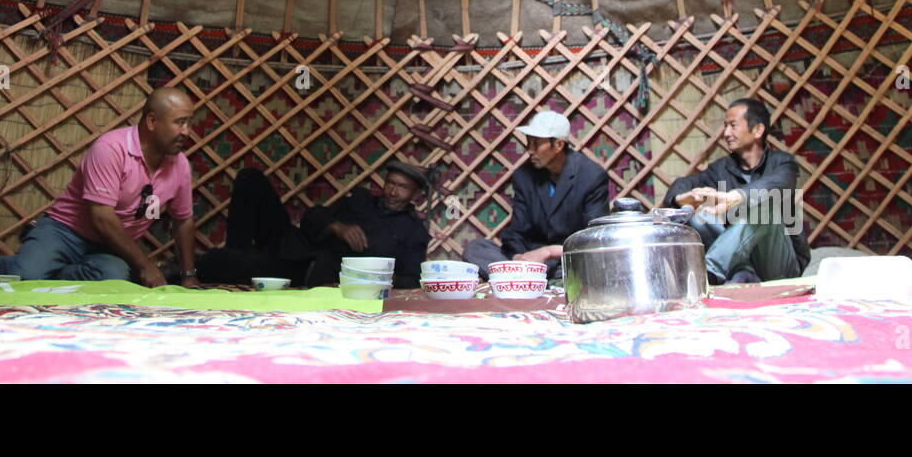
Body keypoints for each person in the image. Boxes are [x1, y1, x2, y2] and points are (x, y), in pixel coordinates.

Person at [0, 87, 199, 287]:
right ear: (152, 122)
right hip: (65, 231)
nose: (186, 132)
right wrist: (145, 266)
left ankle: (50, 272)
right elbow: (102, 218)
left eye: (188, 123)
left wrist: (188, 275)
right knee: (25, 277)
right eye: (180, 122)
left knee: (115, 280)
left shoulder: (179, 166)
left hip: (111, 245)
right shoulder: (111, 148)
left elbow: (183, 220)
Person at [197, 160, 431, 288]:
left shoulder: (413, 231)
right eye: (390, 183)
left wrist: (379, 277)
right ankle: (238, 251)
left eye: (402, 187)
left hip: (304, 272)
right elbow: (313, 216)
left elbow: (411, 278)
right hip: (293, 243)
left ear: (416, 194)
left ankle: (230, 261)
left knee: (218, 262)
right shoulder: (362, 200)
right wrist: (336, 226)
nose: (392, 191)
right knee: (250, 178)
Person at [662, 97, 810, 284]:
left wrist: (737, 196)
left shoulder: (782, 163)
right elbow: (684, 183)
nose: (726, 133)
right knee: (698, 216)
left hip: (779, 262)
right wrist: (682, 198)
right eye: (725, 126)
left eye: (733, 126)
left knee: (764, 208)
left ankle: (709, 270)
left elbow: (780, 183)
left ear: (758, 130)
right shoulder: (721, 169)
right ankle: (743, 274)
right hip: (741, 259)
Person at [462, 110, 609, 279]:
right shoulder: (523, 175)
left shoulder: (591, 175)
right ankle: (523, 276)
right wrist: (518, 258)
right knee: (475, 249)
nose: (530, 150)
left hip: (567, 258)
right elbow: (517, 230)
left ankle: (516, 280)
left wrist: (549, 252)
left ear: (559, 145)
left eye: (536, 144)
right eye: (528, 143)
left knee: (591, 264)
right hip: (531, 261)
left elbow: (595, 238)